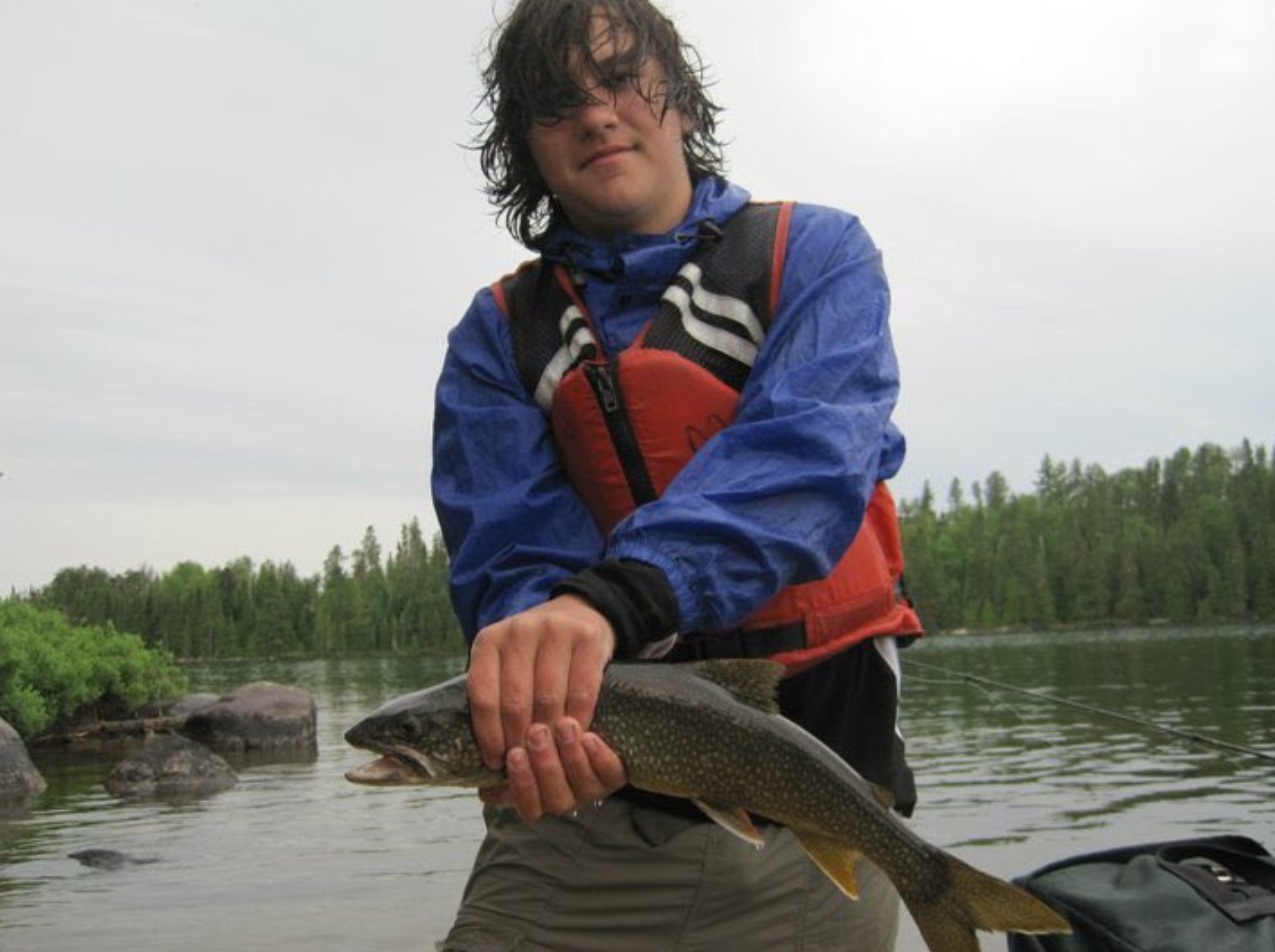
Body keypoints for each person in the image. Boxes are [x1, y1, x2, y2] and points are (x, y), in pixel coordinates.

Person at [430, 1, 923, 949]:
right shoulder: (496, 334)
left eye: (621, 79)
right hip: (578, 822)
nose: (597, 114)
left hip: (816, 800)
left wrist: (610, 603)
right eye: (556, 101)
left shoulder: (818, 255)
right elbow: (509, 555)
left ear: (683, 101)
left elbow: (805, 463)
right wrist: (541, 703)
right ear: (525, 146)